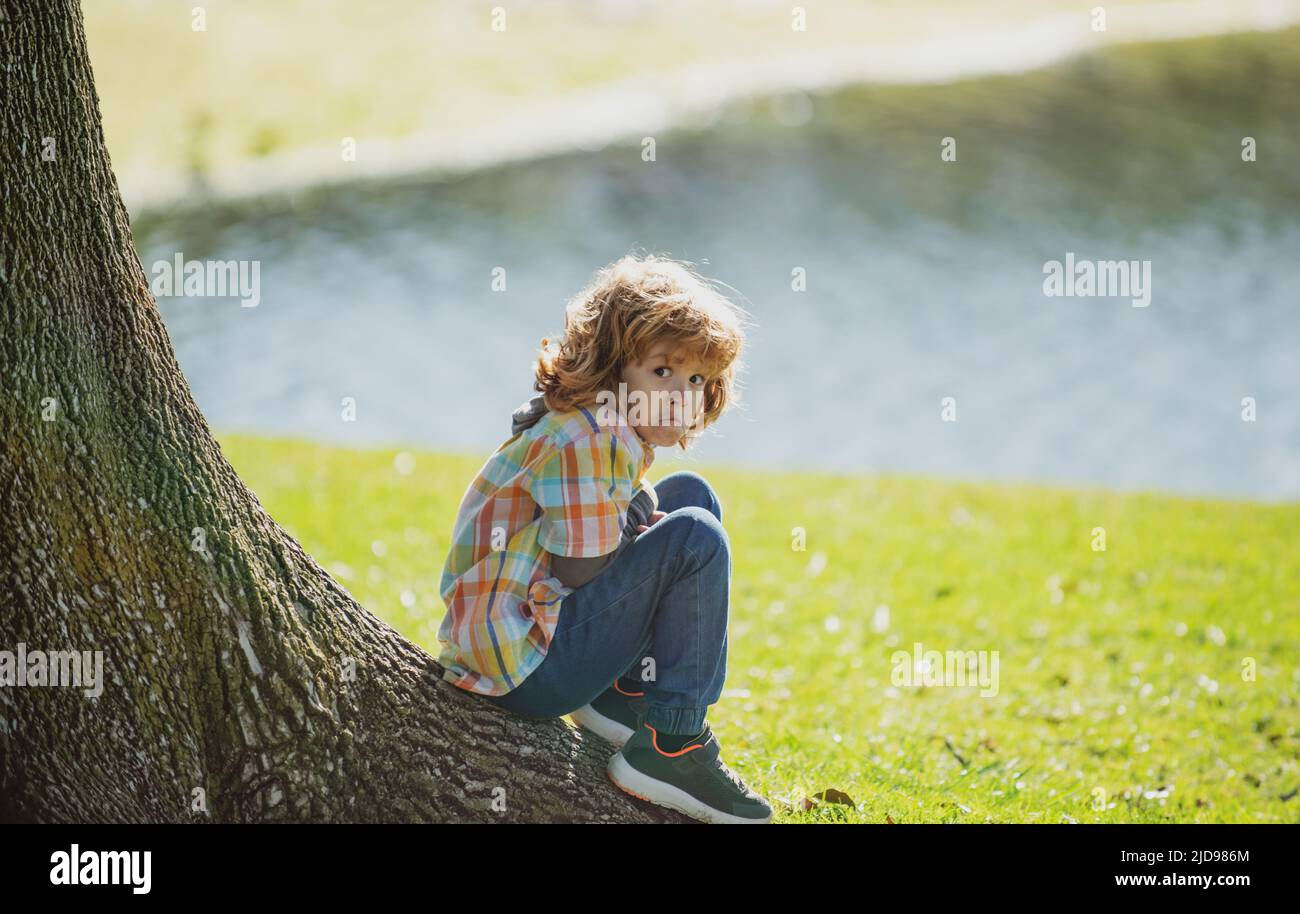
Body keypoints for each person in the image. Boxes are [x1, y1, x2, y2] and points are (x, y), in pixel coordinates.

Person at [436, 253, 771, 823]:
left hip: (530, 635)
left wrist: (637, 517)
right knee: (695, 538)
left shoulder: (604, 425)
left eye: (696, 380)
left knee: (690, 495)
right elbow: (580, 572)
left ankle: (628, 692)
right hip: (521, 668)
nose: (680, 395)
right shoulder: (589, 437)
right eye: (662, 371)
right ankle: (673, 746)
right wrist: (639, 523)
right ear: (614, 364)